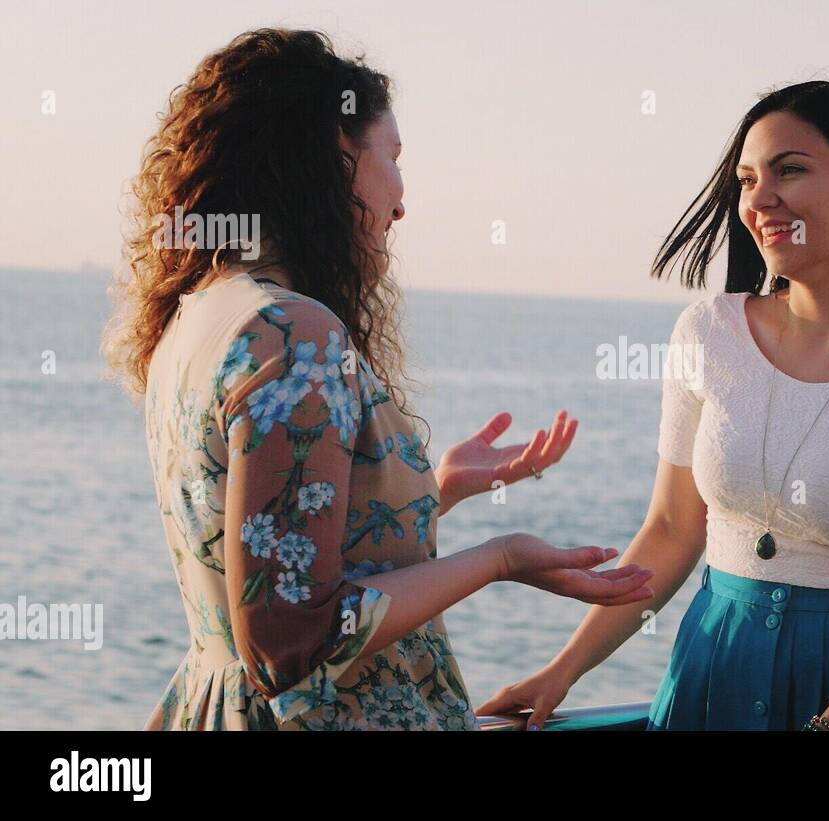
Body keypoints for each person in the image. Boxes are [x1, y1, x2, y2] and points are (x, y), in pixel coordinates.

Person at [101, 28, 653, 730]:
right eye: (391, 157)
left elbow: (278, 546)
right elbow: (292, 643)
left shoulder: (202, 314)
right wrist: (502, 556)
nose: (401, 201)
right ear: (334, 160)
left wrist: (434, 490)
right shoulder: (295, 334)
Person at [478, 79, 829, 731]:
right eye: (748, 179)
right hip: (714, 670)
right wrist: (564, 668)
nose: (761, 198)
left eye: (791, 170)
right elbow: (669, 532)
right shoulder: (707, 333)